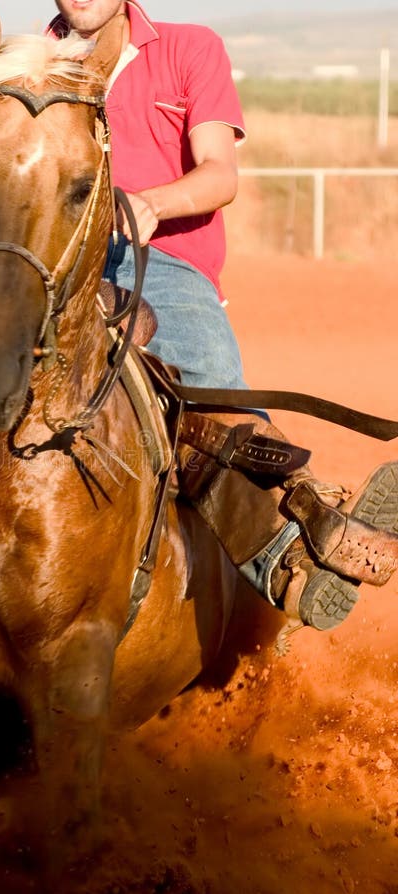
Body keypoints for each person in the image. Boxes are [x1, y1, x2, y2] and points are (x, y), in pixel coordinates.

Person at [47, 0, 398, 637]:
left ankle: (289, 551)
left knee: (214, 394)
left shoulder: (189, 47)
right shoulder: (36, 61)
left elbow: (219, 175)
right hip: (56, 262)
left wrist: (148, 204)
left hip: (163, 260)